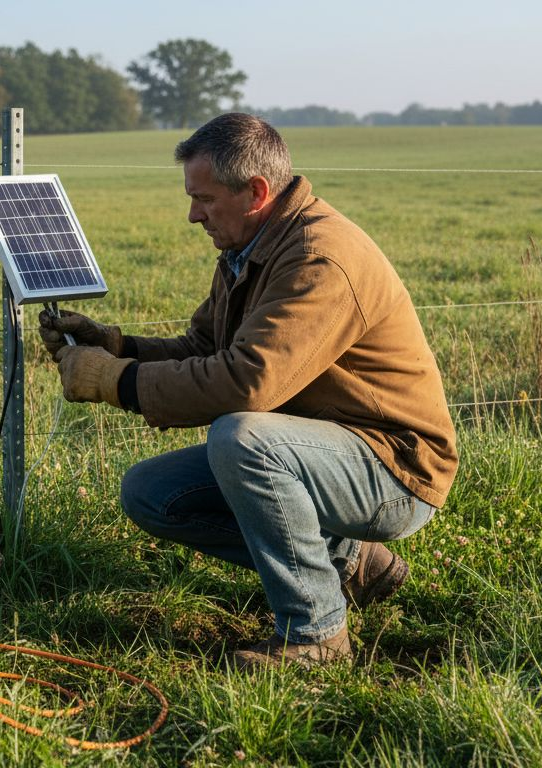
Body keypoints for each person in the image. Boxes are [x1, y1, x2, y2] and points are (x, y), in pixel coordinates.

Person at [39, 113, 459, 669]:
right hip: (327, 448)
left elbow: (247, 381)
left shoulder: (317, 257)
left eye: (204, 199)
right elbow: (205, 346)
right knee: (151, 491)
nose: (193, 214)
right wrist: (120, 348)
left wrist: (114, 382)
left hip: (393, 465)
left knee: (242, 437)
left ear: (256, 191)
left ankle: (316, 636)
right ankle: (350, 562)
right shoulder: (253, 246)